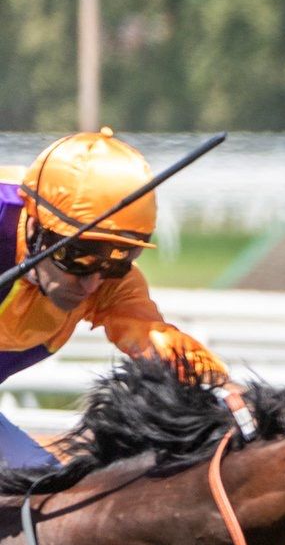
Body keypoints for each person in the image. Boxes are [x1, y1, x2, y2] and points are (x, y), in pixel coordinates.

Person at [0, 128, 226, 469]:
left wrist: (222, 388)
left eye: (116, 262)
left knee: (42, 483)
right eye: (79, 258)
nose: (91, 284)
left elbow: (154, 339)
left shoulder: (110, 284)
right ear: (35, 226)